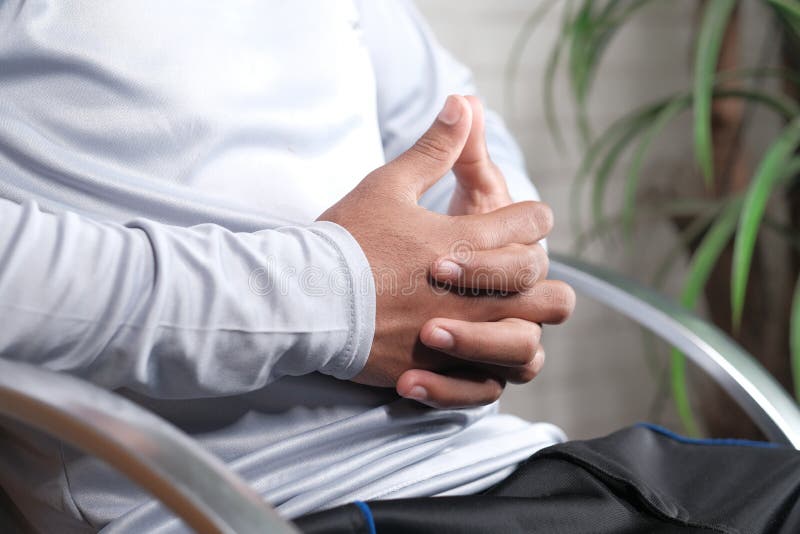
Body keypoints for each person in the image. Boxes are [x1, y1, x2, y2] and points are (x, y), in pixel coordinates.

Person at [1, 2, 799, 534]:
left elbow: (450, 111)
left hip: (508, 469)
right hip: (269, 509)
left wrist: (479, 278)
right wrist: (344, 298)